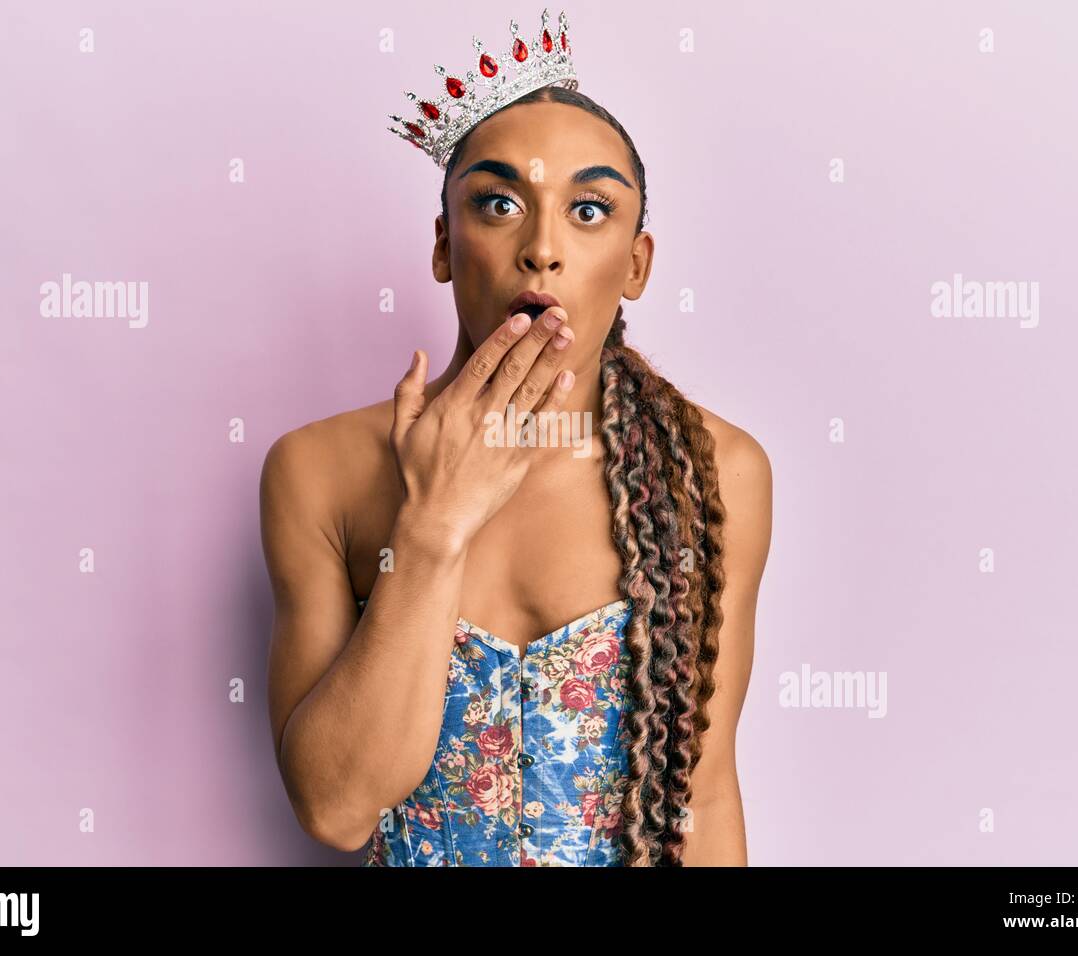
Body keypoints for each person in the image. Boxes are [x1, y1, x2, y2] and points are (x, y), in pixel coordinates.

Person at [260, 9, 772, 866]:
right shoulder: (316, 472)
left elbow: (708, 792)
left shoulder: (720, 472)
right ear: (443, 245)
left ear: (637, 265)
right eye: (498, 204)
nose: (541, 249)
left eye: (588, 209)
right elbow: (336, 809)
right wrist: (433, 526)